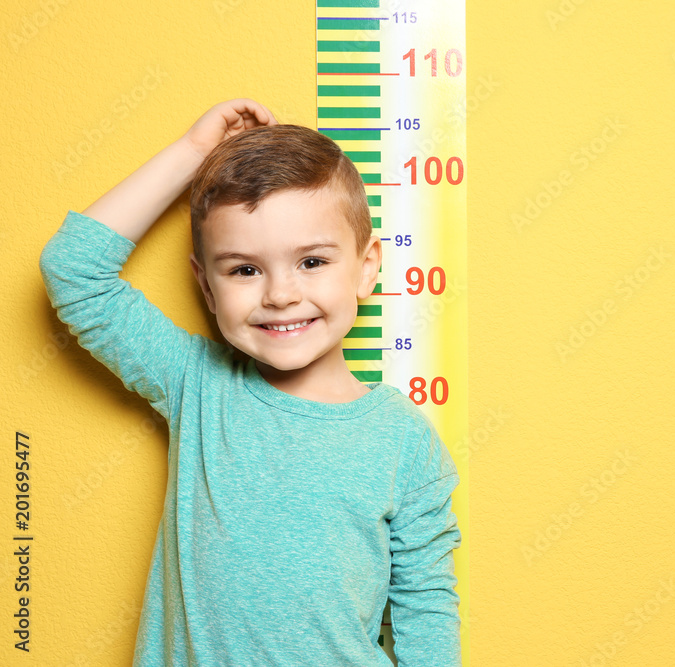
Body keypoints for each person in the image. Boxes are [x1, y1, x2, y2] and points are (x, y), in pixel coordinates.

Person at [38, 98, 462, 666]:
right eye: (245, 269)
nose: (280, 294)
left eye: (312, 262)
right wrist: (192, 153)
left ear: (366, 268)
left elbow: (426, 608)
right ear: (206, 288)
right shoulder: (197, 383)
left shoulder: (404, 439)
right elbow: (73, 270)